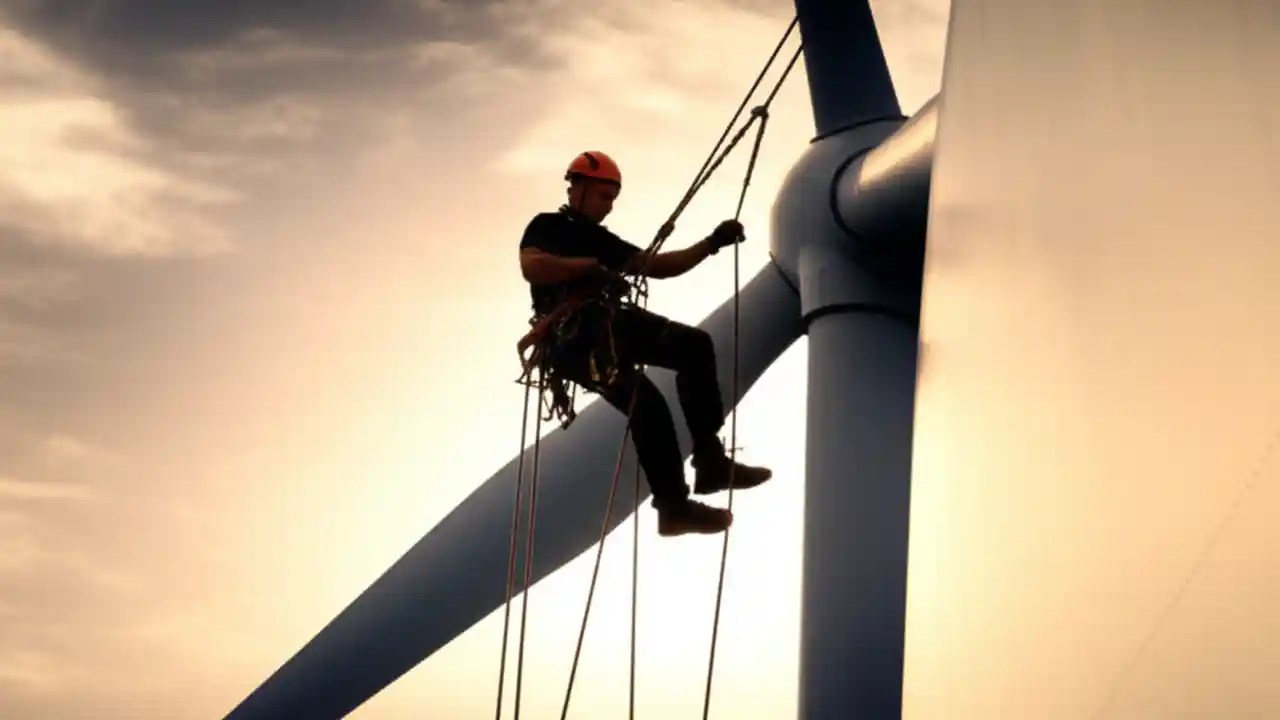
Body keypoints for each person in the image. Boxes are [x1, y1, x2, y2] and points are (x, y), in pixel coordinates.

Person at [517, 150, 772, 537]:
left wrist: (711, 244)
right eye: (604, 197)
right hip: (582, 332)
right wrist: (590, 269)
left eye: (613, 201)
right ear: (579, 187)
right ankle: (704, 470)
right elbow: (531, 265)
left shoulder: (602, 240)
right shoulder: (549, 227)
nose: (608, 208)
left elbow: (656, 266)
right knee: (689, 351)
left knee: (650, 401)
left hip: (597, 336)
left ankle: (682, 496)